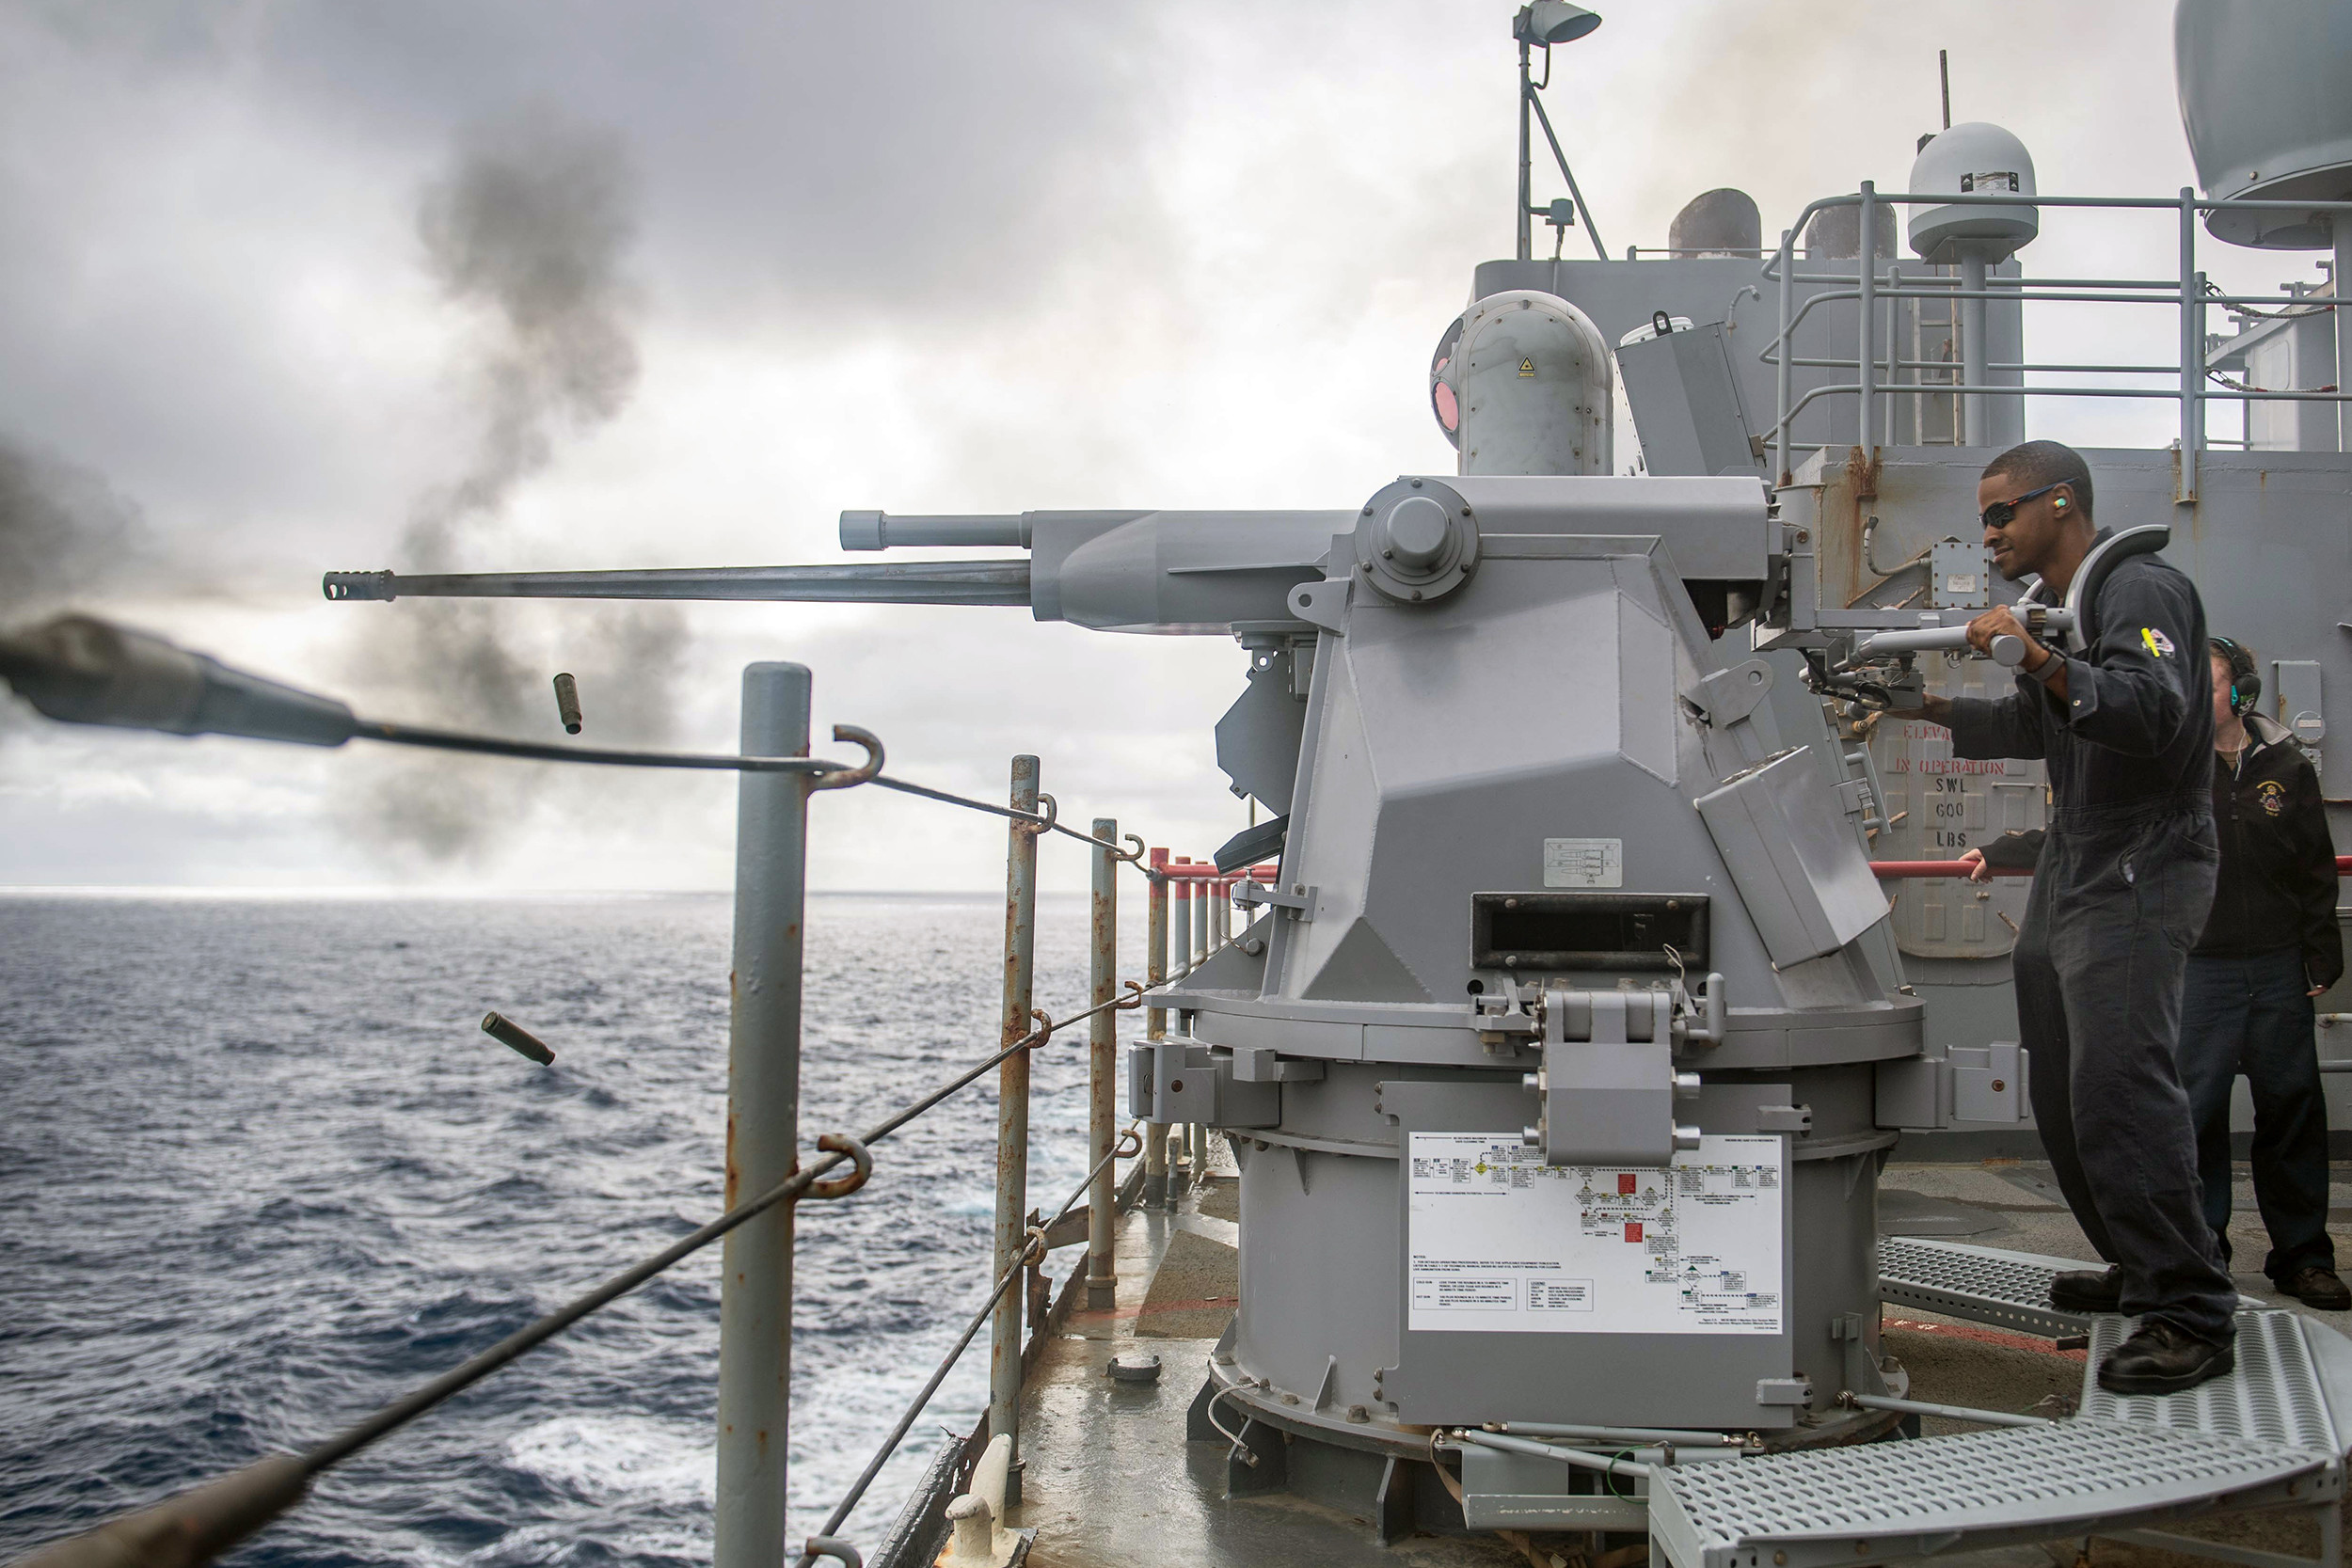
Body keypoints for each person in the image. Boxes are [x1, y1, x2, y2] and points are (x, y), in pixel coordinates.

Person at [1892, 438, 2238, 1394]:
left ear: (2061, 504)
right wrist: (1912, 703)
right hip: (2079, 850)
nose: (1989, 531)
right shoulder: (2063, 610)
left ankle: (2192, 1311)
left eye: (2003, 512)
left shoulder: (2138, 591)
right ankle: (2139, 1259)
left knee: (2120, 1086)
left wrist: (2034, 652)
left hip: (2143, 853)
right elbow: (2029, 723)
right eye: (1986, 516)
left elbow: (2154, 712)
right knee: (2064, 1086)